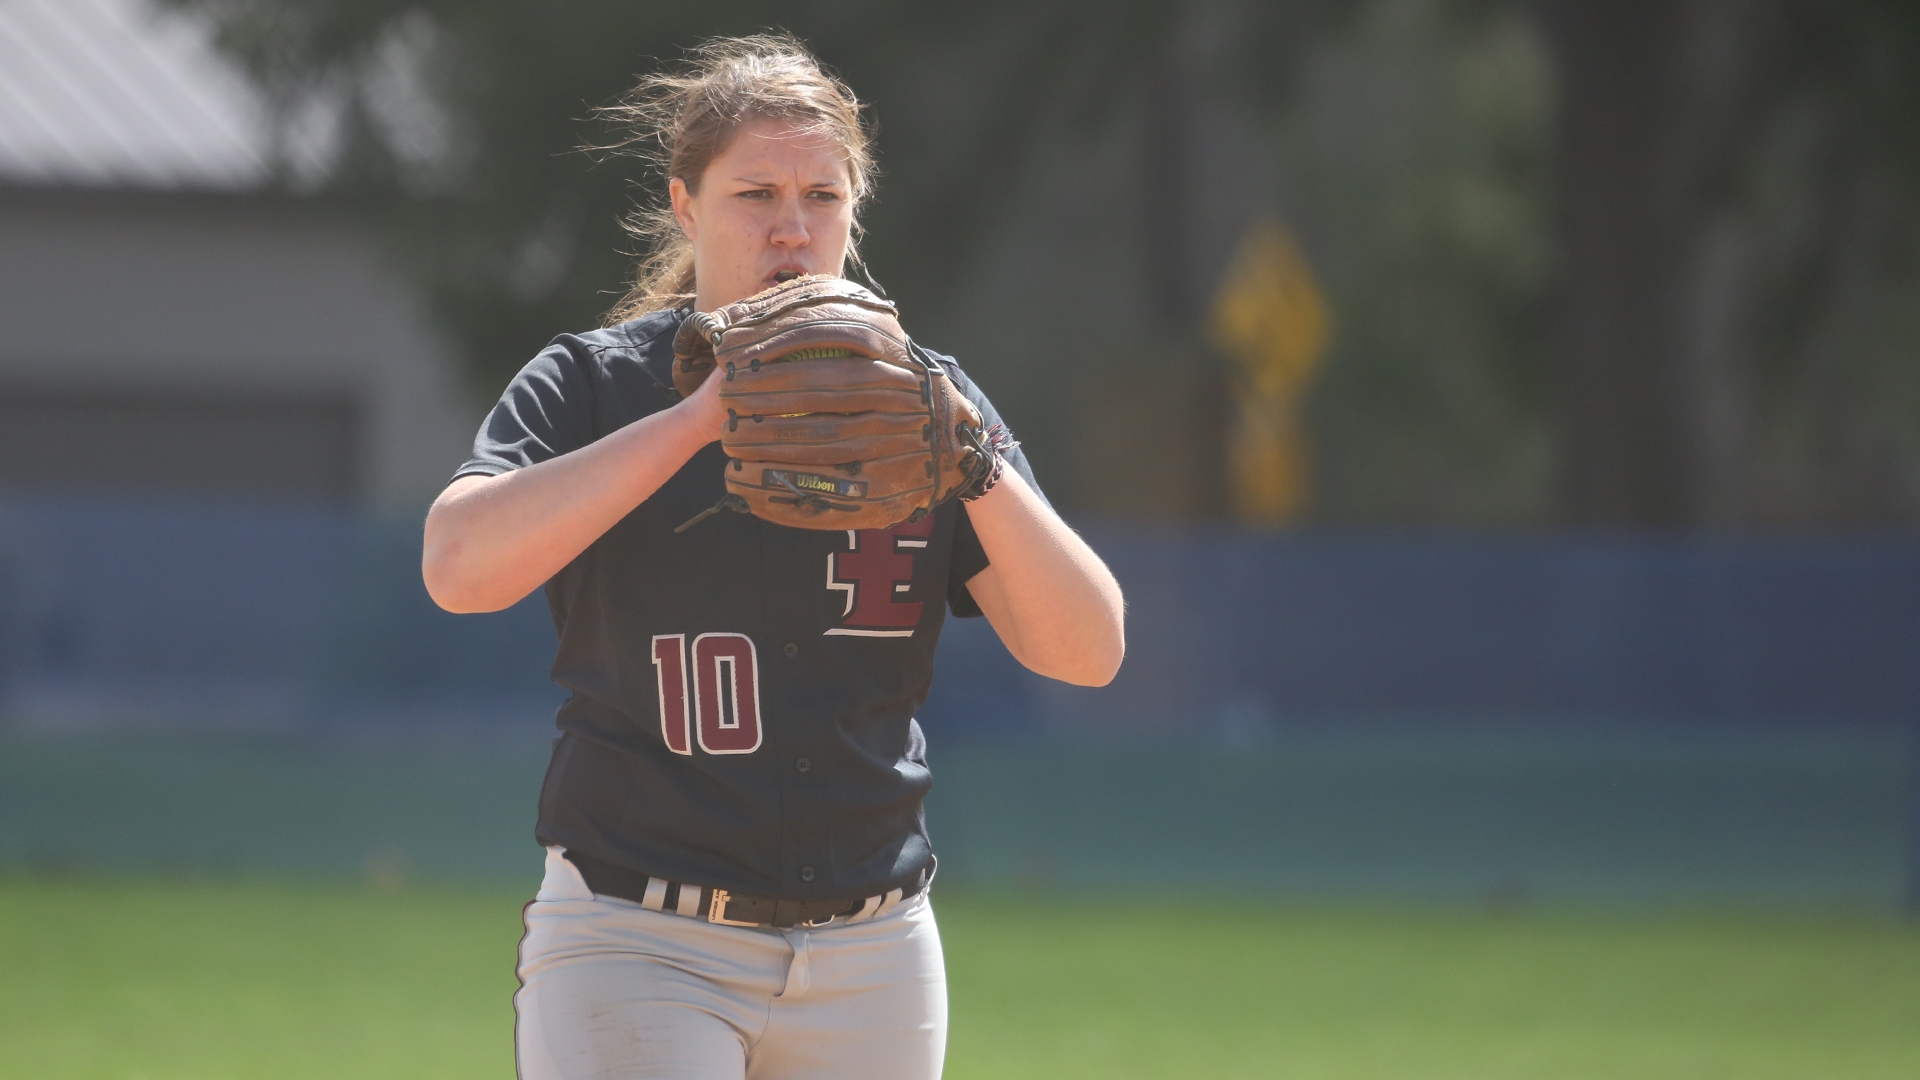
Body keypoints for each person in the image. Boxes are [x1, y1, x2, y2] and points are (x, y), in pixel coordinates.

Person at [421, 34, 1125, 1080]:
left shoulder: (928, 407)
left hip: (873, 953)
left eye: (822, 198)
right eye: (755, 194)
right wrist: (704, 419)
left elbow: (1090, 648)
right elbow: (457, 567)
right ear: (684, 206)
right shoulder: (598, 387)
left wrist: (970, 456)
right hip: (639, 936)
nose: (793, 230)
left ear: (854, 215)